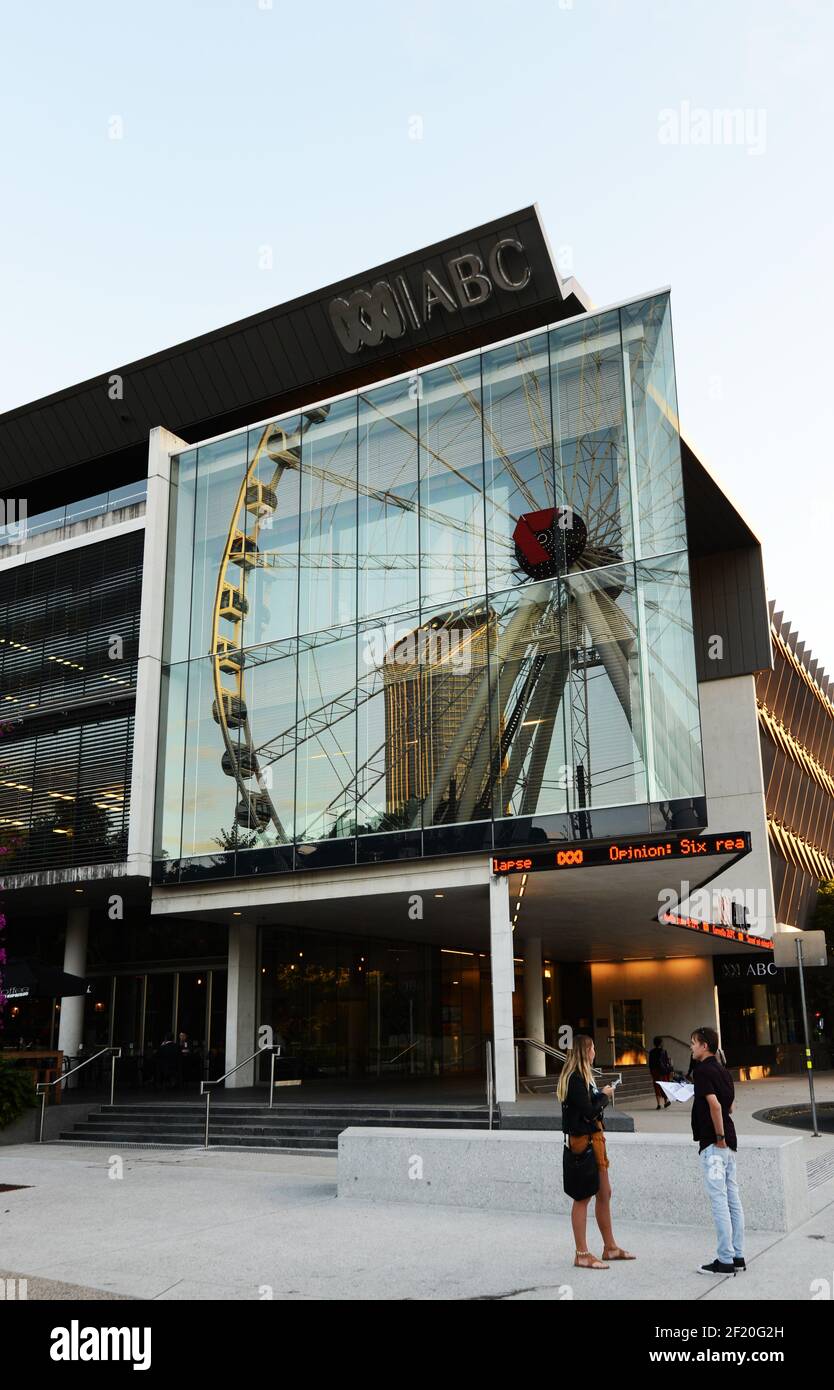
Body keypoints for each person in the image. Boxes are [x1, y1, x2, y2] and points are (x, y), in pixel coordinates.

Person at [557, 1034, 636, 1270]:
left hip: (595, 1139)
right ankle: (581, 1253)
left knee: (605, 1192)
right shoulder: (575, 1079)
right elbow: (589, 1111)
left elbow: (588, 1106)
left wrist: (599, 1093)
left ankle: (610, 1247)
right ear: (586, 1051)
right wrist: (604, 1096)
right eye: (592, 1048)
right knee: (582, 1196)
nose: (595, 1052)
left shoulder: (584, 1077)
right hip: (583, 1141)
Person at [690, 1026, 746, 1276]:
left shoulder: (702, 1070)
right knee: (732, 1198)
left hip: (715, 1143)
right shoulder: (723, 1071)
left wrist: (719, 1137)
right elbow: (730, 1107)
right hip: (729, 1143)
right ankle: (738, 1255)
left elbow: (714, 1105)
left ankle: (724, 1261)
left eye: (693, 1043)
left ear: (704, 1046)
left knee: (719, 1200)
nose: (691, 1047)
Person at [647, 1035, 672, 1109]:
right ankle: (665, 1102)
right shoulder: (663, 1051)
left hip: (655, 1072)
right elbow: (666, 1062)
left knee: (657, 1087)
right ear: (661, 1043)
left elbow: (650, 1063)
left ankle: (658, 1104)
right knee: (664, 1086)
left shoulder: (651, 1052)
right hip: (663, 1072)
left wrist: (651, 1071)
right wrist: (670, 1070)